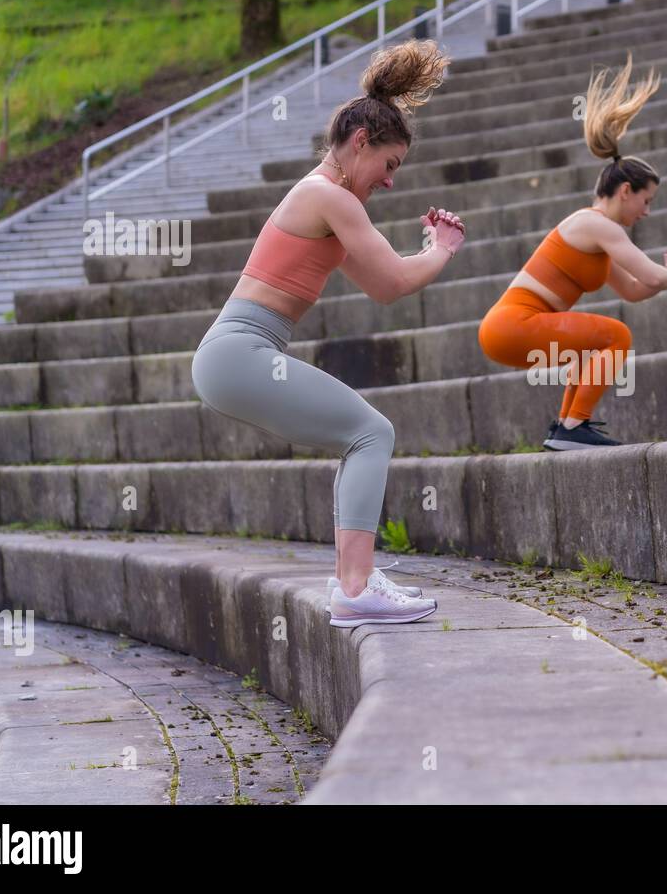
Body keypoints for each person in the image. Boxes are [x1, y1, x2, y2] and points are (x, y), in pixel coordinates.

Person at [191, 40, 465, 628]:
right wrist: (440, 248)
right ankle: (357, 585)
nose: (391, 182)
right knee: (372, 432)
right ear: (360, 142)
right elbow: (395, 279)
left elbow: (383, 285)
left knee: (360, 435)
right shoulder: (327, 195)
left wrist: (429, 253)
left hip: (233, 357)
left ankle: (354, 581)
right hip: (238, 353)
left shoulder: (326, 201)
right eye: (390, 166)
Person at [477, 53, 667, 450]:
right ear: (625, 192)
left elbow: (633, 289)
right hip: (511, 325)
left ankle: (566, 429)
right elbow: (649, 276)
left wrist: (664, 276)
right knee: (617, 335)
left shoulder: (598, 238)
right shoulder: (596, 224)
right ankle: (575, 426)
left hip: (507, 330)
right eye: (646, 202)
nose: (646, 212)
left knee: (595, 344)